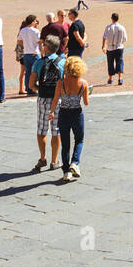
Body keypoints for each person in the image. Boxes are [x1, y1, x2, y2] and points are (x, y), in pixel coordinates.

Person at [49, 55, 89, 183]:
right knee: (79, 139)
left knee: (65, 144)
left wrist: (51, 112)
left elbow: (55, 99)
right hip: (77, 113)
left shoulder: (61, 83)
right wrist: (87, 92)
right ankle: (75, 163)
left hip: (63, 113)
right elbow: (86, 102)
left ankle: (66, 171)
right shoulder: (83, 83)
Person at [29, 33, 65, 172]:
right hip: (59, 99)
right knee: (56, 130)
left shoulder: (38, 63)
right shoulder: (63, 62)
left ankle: (42, 158)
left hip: (43, 98)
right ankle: (54, 161)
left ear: (47, 48)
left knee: (42, 130)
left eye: (44, 44)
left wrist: (39, 89)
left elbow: (31, 84)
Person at [16, 14, 41, 96]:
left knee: (28, 72)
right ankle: (35, 88)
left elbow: (19, 41)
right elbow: (40, 41)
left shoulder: (23, 30)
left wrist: (26, 43)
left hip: (26, 53)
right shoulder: (36, 31)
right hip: (35, 53)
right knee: (36, 72)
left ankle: (28, 88)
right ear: (32, 21)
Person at [102, 12, 127, 85]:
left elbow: (104, 37)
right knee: (119, 62)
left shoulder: (108, 27)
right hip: (119, 47)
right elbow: (125, 39)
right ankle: (120, 78)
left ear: (112, 18)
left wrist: (103, 46)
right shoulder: (122, 27)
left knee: (110, 63)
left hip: (110, 48)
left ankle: (110, 78)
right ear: (118, 19)